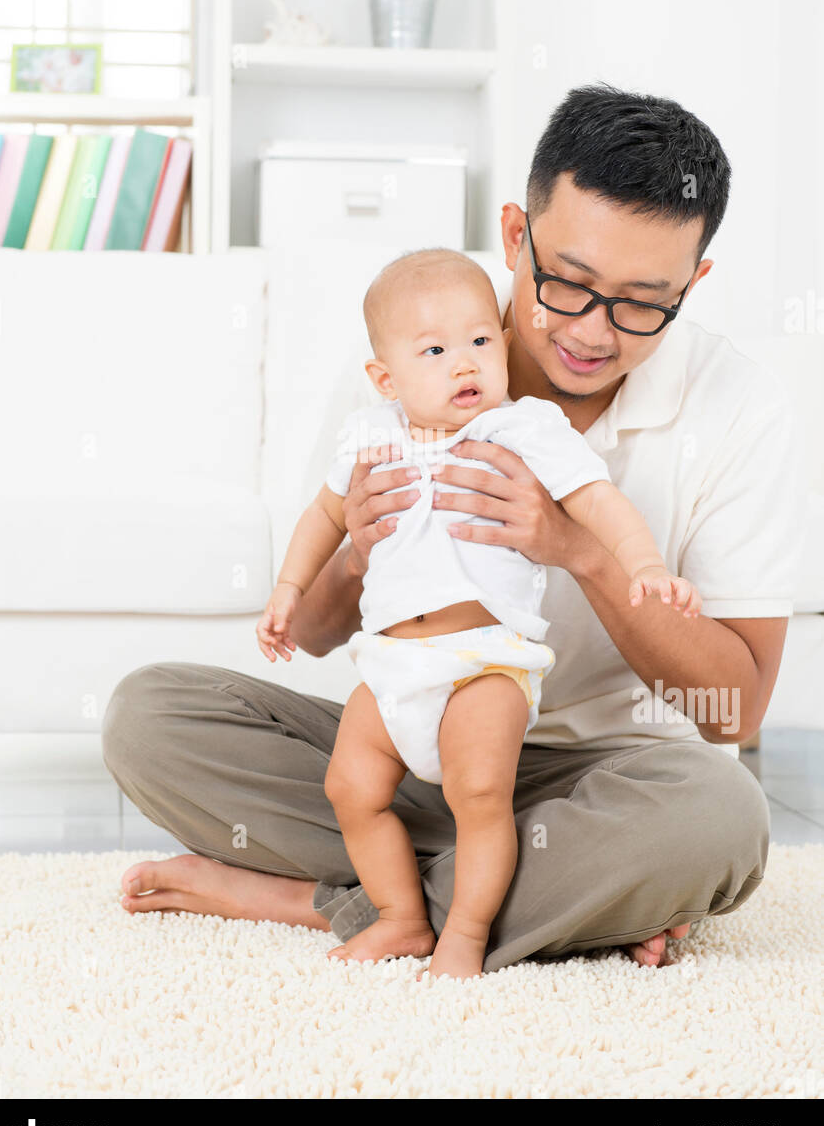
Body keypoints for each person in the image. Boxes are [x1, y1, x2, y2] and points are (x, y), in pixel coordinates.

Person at [103, 85, 800, 973]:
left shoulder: (739, 408)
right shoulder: (414, 344)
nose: (591, 332)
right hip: (404, 735)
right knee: (148, 715)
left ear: (692, 283)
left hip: (591, 781)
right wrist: (356, 548)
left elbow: (732, 709)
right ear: (515, 234)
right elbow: (316, 634)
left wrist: (577, 551)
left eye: (641, 304)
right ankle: (558, 900)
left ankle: (319, 904)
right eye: (569, 284)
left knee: (716, 819)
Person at [256, 248, 702, 979]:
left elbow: (598, 502)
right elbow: (321, 515)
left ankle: (464, 932)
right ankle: (402, 917)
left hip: (483, 665)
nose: (463, 364)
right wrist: (287, 589)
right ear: (384, 378)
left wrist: (644, 566)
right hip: (391, 669)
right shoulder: (372, 434)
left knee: (480, 793)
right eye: (434, 350)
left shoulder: (522, 427)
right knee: (349, 787)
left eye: (479, 341)